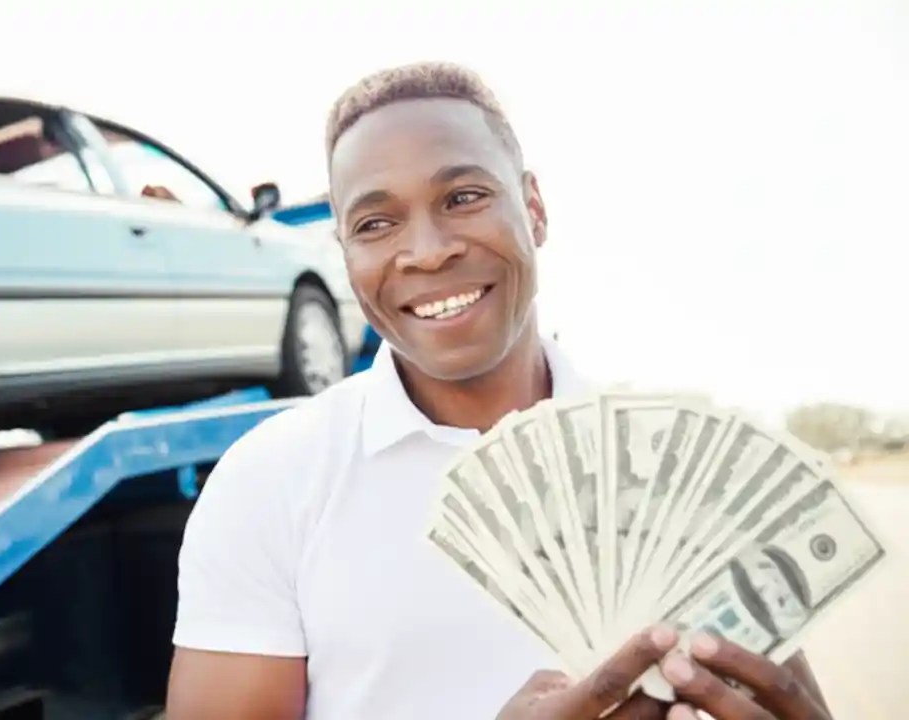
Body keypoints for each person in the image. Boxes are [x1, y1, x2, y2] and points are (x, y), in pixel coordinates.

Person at [164, 61, 832, 720]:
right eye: (375, 224)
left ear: (534, 210)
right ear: (345, 253)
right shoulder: (269, 482)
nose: (426, 251)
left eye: (462, 198)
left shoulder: (681, 478)